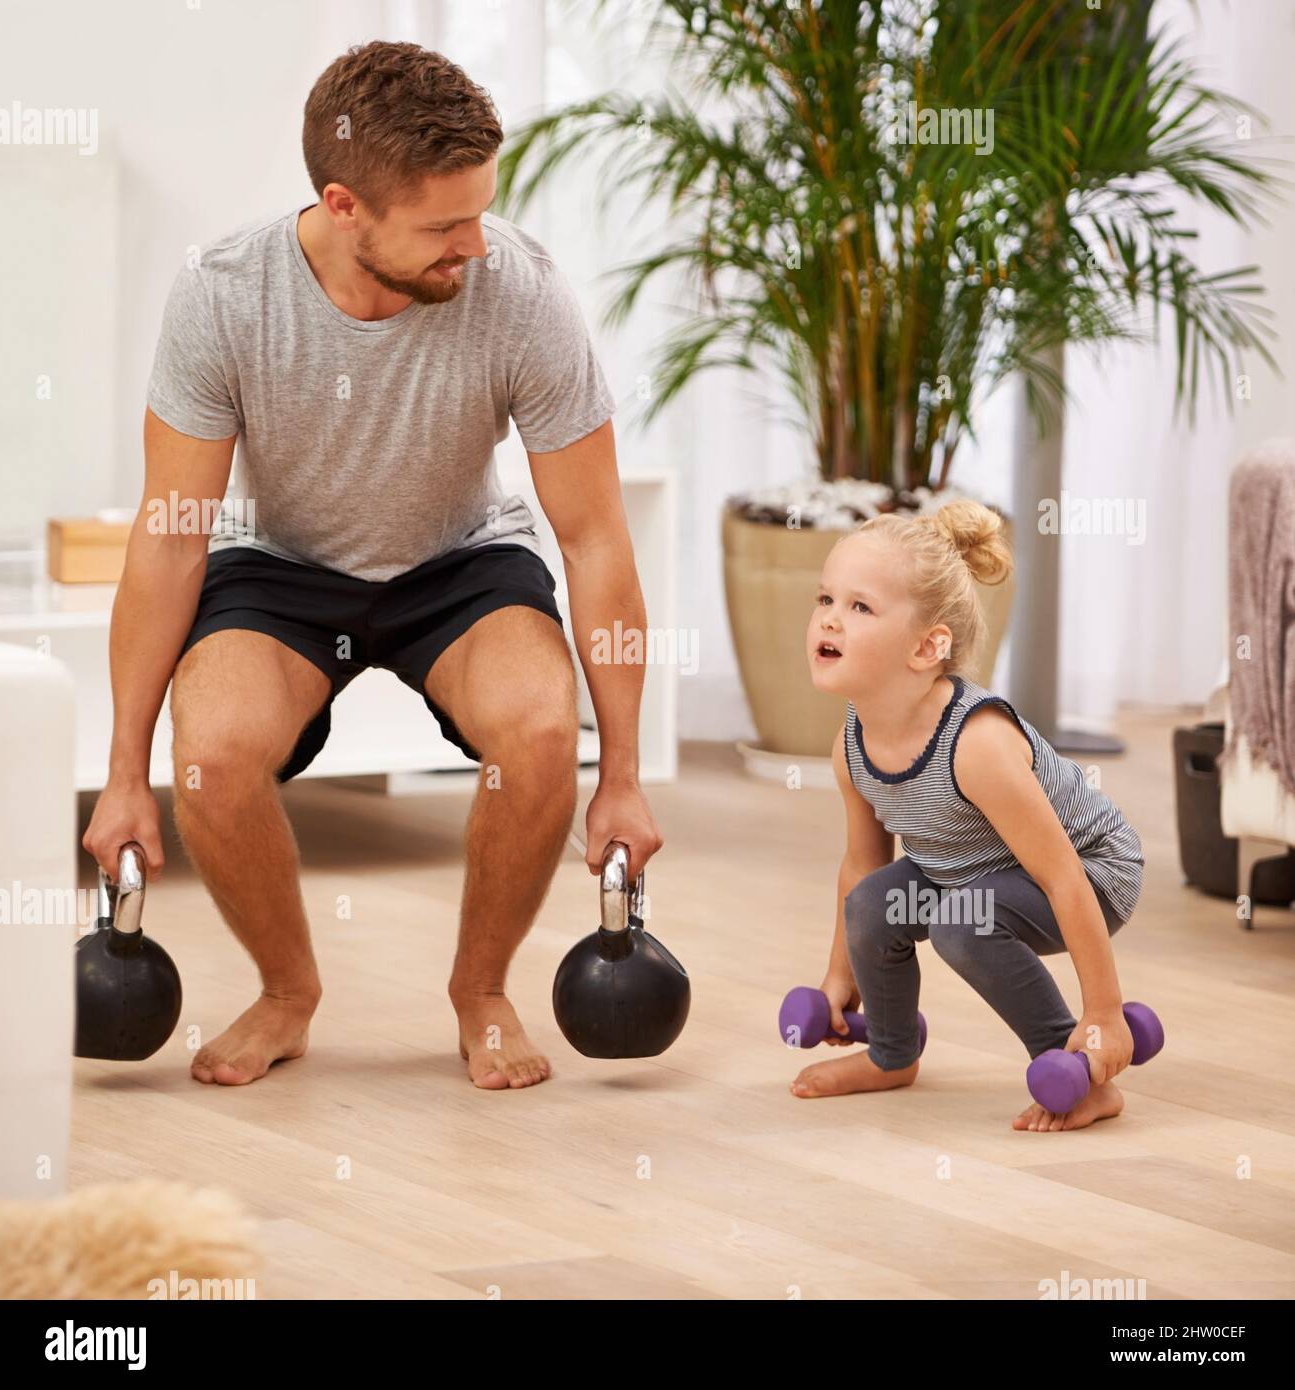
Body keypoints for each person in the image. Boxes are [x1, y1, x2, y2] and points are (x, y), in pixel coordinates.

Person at [82, 40, 662, 1091]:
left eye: (481, 212)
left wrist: (618, 773)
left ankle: (481, 992)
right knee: (209, 754)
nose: (475, 246)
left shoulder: (521, 292)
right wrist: (126, 774)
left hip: (462, 559)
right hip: (285, 565)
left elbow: (593, 536)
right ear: (344, 205)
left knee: (536, 731)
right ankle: (285, 990)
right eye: (445, 226)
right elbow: (171, 533)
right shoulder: (224, 295)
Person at [791, 498, 1144, 1131]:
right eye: (825, 600)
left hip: (1092, 874)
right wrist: (838, 976)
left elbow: (1062, 875)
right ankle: (891, 1055)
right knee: (876, 901)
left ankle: (1075, 1069)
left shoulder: (975, 744)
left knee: (960, 921)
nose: (831, 621)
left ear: (928, 647)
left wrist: (1106, 1014)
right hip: (971, 871)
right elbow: (864, 866)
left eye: (860, 607)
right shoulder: (852, 745)